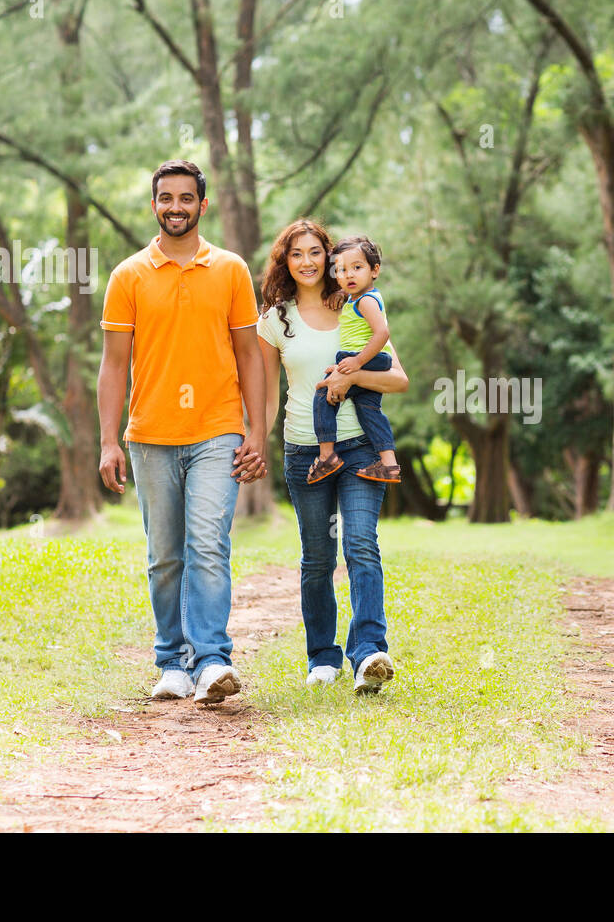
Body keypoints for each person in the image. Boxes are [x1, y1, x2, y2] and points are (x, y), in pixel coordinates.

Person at [97, 159, 267, 705]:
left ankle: (213, 659)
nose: (176, 207)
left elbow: (250, 355)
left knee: (209, 545)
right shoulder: (128, 275)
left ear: (202, 205)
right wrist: (108, 440)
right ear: (154, 206)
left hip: (218, 429)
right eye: (165, 198)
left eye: (186, 198)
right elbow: (112, 365)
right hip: (150, 435)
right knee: (165, 553)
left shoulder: (232, 269)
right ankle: (171, 661)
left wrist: (256, 432)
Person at [256, 219, 408, 694]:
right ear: (286, 261)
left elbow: (398, 378)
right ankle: (323, 656)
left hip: (360, 447)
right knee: (318, 557)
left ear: (329, 256)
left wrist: (352, 378)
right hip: (305, 450)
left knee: (360, 544)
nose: (307, 261)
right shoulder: (274, 319)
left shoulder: (354, 304)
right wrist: (253, 444)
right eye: (296, 253)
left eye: (315, 252)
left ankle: (368, 654)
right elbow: (263, 395)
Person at [307, 235, 401, 485]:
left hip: (365, 358)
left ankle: (327, 456)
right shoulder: (357, 298)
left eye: (357, 268)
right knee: (369, 411)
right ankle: (389, 464)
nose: (349, 275)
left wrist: (357, 363)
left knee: (323, 395)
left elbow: (382, 333)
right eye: (341, 270)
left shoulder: (367, 301)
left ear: (375, 270)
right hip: (367, 360)